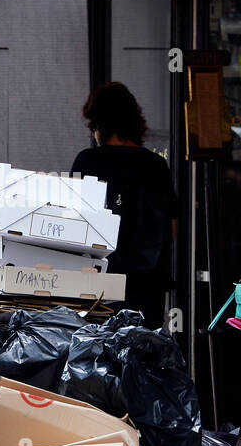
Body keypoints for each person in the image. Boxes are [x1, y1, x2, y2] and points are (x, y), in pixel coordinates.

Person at [70, 82, 177, 329]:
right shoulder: (155, 165)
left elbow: (73, 226)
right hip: (146, 283)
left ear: (98, 125)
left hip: (96, 281)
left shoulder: (88, 161)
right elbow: (169, 230)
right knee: (142, 353)